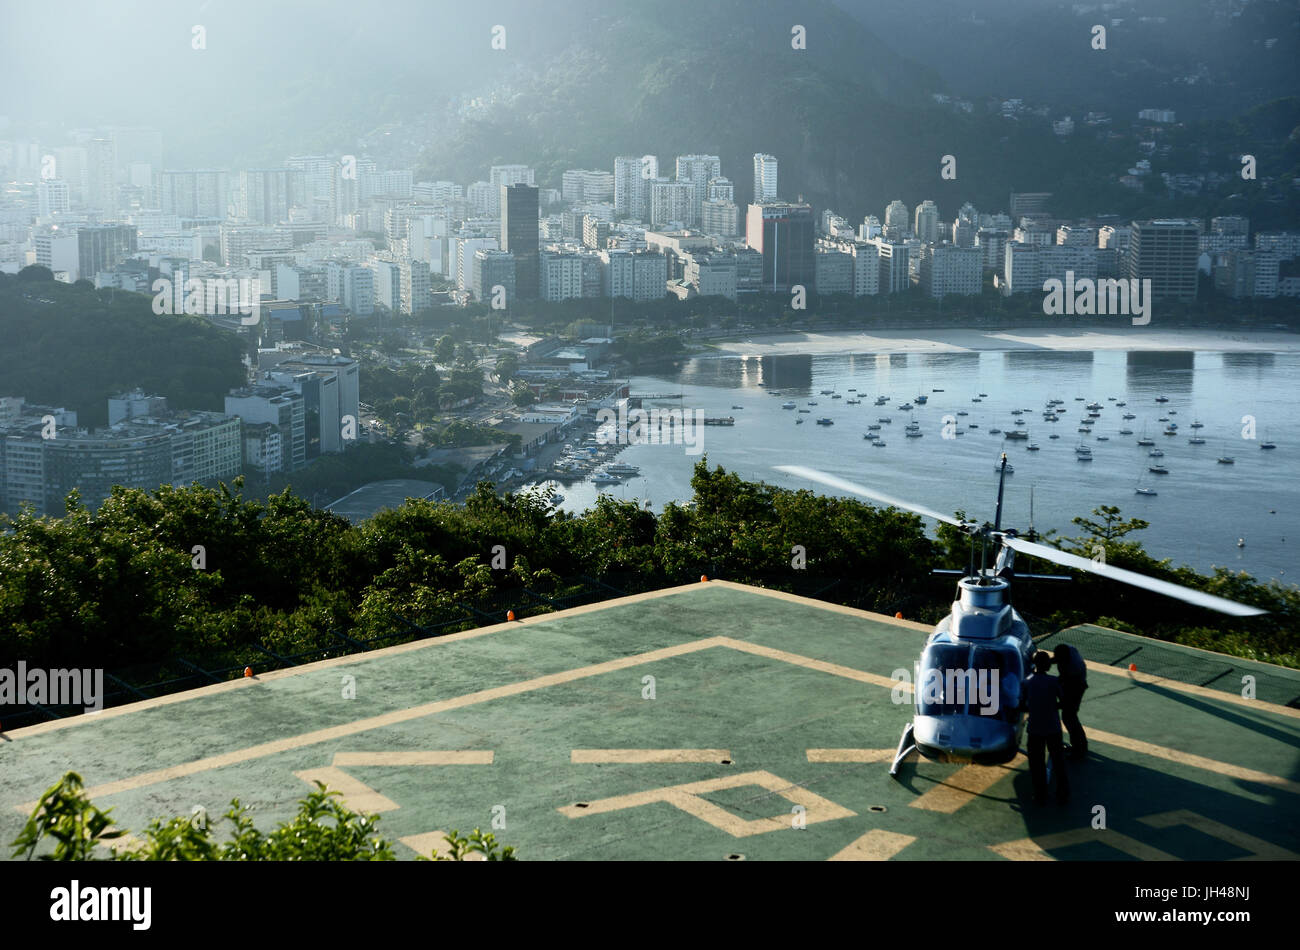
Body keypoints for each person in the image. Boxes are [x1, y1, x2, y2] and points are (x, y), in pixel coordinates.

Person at [1024, 651, 1069, 805]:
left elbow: (1022, 705)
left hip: (1035, 728)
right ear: (1048, 665)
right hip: (1053, 728)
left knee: (1036, 764)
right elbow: (1063, 702)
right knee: (1058, 761)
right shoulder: (1054, 681)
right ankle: (1062, 793)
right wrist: (1051, 706)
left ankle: (1040, 794)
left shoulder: (1028, 682)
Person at [1054, 643, 1088, 759]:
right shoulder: (1069, 650)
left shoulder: (1073, 668)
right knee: (1070, 716)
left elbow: (1064, 681)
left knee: (1069, 716)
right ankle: (1081, 745)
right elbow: (1057, 659)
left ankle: (1079, 748)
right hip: (1075, 683)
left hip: (1076, 687)